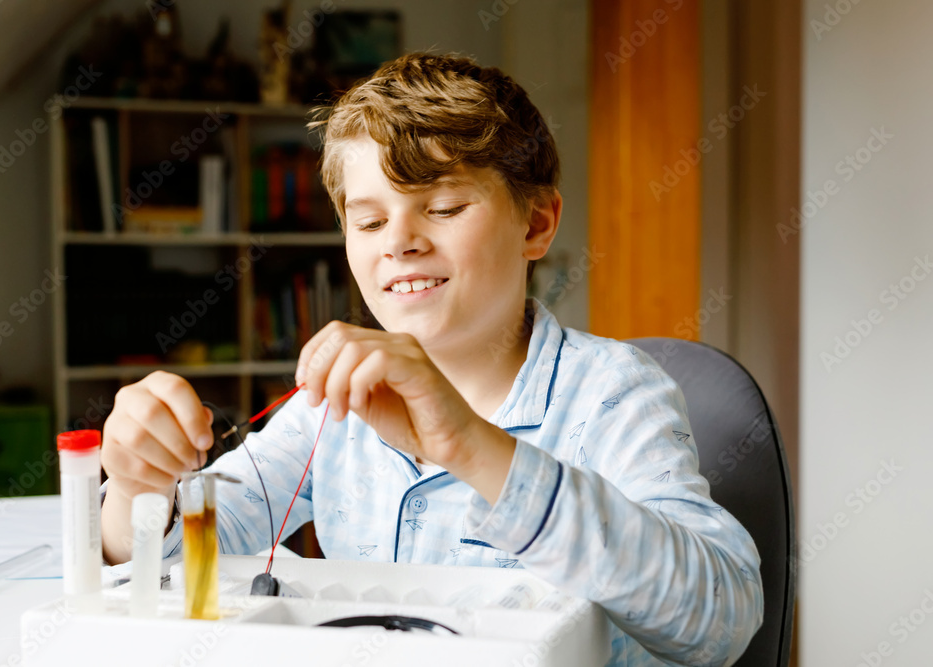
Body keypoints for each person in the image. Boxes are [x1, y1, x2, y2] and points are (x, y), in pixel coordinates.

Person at [99, 51, 763, 665]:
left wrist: (471, 445)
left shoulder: (614, 395)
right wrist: (137, 488)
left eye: (442, 207)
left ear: (535, 224)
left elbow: (723, 623)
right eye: (368, 221)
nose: (401, 242)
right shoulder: (330, 406)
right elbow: (177, 562)